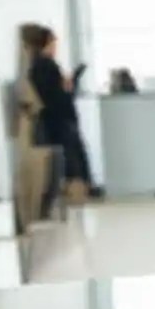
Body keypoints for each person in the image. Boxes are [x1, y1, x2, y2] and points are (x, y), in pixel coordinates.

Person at [22, 24, 94, 199]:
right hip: (59, 120)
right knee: (72, 157)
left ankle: (77, 190)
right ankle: (77, 192)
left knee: (72, 155)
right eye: (53, 43)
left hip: (57, 119)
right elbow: (56, 96)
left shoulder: (39, 66)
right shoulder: (45, 66)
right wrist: (69, 85)